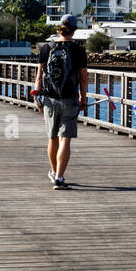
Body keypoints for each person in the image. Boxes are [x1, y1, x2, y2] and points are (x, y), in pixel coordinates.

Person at [33, 14, 88, 188]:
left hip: (49, 99)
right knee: (65, 139)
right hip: (69, 99)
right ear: (74, 30)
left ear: (59, 28)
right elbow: (84, 78)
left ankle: (54, 171)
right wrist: (83, 97)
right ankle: (59, 177)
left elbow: (39, 76)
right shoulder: (78, 50)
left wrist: (36, 96)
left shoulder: (46, 48)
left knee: (52, 137)